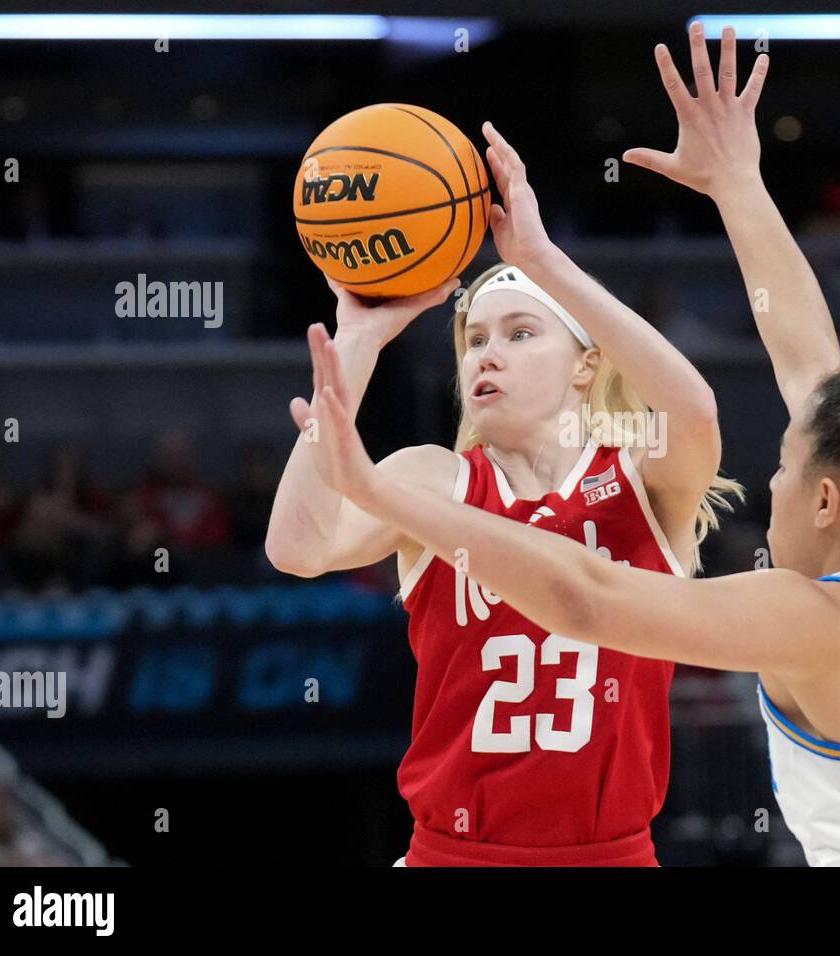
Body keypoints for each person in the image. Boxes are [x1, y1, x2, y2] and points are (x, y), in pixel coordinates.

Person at [297, 24, 840, 866]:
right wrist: (738, 183)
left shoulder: (831, 622)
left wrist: (377, 493)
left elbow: (591, 599)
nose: (765, 484)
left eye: (782, 469)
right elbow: (808, 357)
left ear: (825, 499)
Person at [267, 121, 741, 866]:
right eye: (475, 340)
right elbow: (294, 550)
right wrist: (355, 342)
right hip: (450, 855)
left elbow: (697, 411)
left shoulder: (641, 480)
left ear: (586, 365)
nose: (487, 354)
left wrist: (540, 260)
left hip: (611, 854)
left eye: (520, 334)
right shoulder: (437, 478)